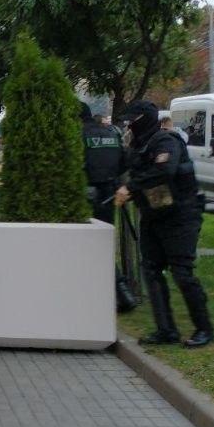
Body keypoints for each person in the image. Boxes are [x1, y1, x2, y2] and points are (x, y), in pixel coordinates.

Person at [116, 100, 214, 348]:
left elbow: (165, 171)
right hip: (154, 214)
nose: (128, 125)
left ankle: (204, 328)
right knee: (151, 270)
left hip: (181, 215)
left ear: (144, 119)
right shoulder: (137, 145)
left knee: (182, 272)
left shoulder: (166, 141)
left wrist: (130, 187)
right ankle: (166, 330)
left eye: (132, 120)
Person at [80, 103, 136, 311]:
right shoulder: (111, 133)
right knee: (103, 244)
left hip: (87, 195)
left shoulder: (78, 136)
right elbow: (125, 160)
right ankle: (120, 293)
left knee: (91, 247)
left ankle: (121, 292)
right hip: (110, 193)